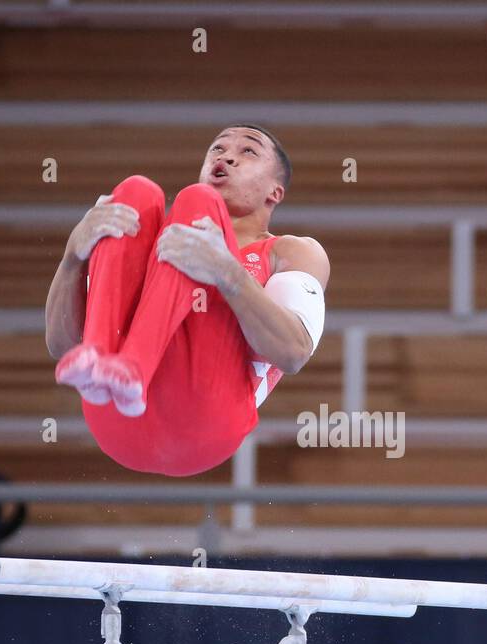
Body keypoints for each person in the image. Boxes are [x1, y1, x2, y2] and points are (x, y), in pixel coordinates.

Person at [44, 124, 328, 477]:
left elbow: (293, 352)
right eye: (217, 149)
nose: (226, 156)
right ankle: (109, 363)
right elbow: (61, 345)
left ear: (275, 191)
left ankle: (133, 367)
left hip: (204, 422)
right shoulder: (156, 240)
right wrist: (73, 256)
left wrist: (228, 273)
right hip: (113, 418)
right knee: (135, 192)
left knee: (197, 202)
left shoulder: (291, 251)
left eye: (248, 151)